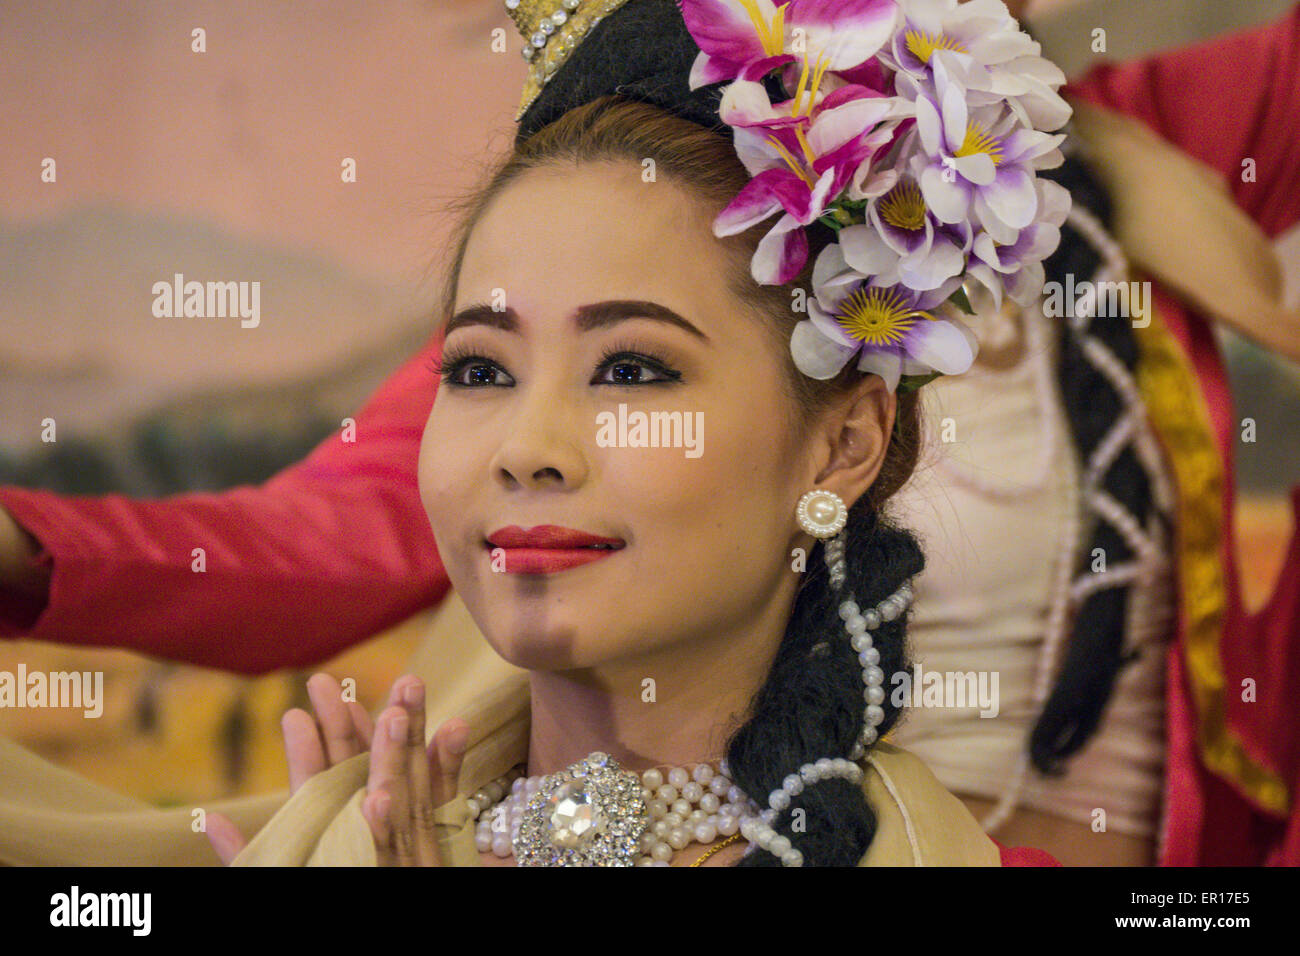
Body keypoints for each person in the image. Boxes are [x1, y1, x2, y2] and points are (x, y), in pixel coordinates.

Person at [3, 0, 1299, 865]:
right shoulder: (652, 225)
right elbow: (327, 531)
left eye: (631, 369)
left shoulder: (1125, 153)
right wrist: (32, 545)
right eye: (482, 370)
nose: (532, 436)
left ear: (851, 444)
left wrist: (1124, 164)